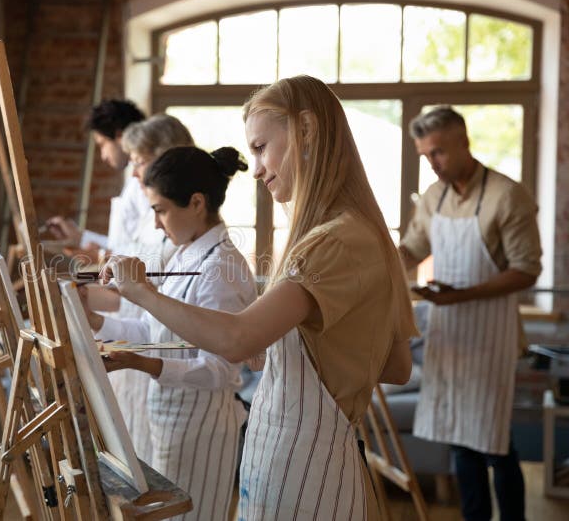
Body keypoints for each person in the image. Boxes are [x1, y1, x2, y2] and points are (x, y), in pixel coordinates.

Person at [99, 75, 417, 520]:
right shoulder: (339, 233)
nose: (258, 168)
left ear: (306, 131)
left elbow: (237, 340)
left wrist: (142, 292)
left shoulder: (336, 239)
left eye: (262, 147)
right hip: (290, 449)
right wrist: (288, 351)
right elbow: (394, 364)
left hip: (304, 459)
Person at [82, 146, 257, 520]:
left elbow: (219, 371)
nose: (157, 225)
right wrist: (96, 321)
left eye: (161, 210)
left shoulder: (221, 267)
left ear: (196, 203)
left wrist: (142, 362)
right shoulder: (187, 253)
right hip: (171, 421)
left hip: (203, 430)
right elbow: (156, 329)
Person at [400, 106, 542, 521]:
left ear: (464, 141)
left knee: (494, 443)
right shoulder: (432, 197)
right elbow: (411, 250)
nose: (433, 163)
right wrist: (375, 265)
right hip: (449, 333)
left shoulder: (506, 194)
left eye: (439, 152)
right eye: (425, 155)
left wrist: (463, 295)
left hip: (491, 335)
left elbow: (527, 270)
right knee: (458, 437)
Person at [99, 114, 195, 463]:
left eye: (140, 162)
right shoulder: (150, 214)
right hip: (137, 338)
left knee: (151, 465)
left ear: (166, 157)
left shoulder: (175, 220)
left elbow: (149, 287)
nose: (134, 172)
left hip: (158, 355)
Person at [46, 99, 145, 257]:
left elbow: (150, 254)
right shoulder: (133, 181)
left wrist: (100, 255)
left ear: (120, 136)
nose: (103, 156)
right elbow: (121, 245)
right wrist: (80, 237)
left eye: (102, 144)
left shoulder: (145, 184)